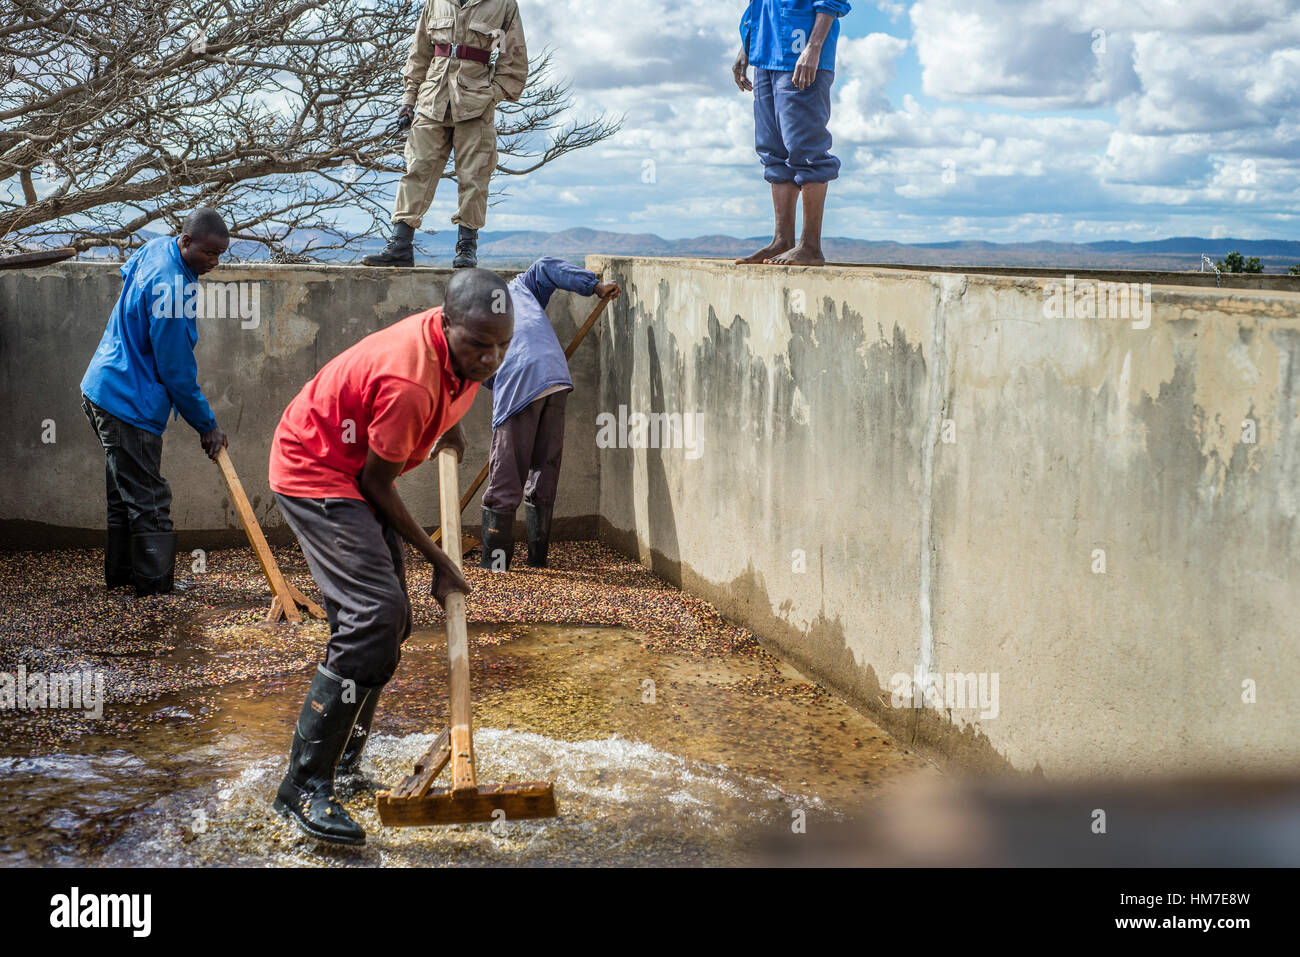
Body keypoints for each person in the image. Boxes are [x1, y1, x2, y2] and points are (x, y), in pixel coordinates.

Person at [267, 267, 513, 846]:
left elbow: (426, 412)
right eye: (479, 344)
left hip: (353, 468)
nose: (491, 358)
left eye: (503, 343)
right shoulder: (412, 379)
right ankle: (302, 786)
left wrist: (440, 433)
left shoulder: (460, 353)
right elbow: (379, 485)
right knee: (373, 619)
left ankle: (345, 762)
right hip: (317, 469)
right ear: (445, 323)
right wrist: (439, 559)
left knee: (388, 621)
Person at [79, 209, 230, 596]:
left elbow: (126, 273)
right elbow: (176, 371)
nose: (214, 262)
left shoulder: (156, 248)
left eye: (220, 255)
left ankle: (123, 578)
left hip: (101, 386)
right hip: (129, 402)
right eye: (209, 253)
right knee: (149, 499)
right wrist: (207, 425)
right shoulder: (173, 292)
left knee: (123, 492)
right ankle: (155, 590)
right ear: (186, 241)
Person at [362, 0, 528, 270]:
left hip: (476, 101)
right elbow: (419, 51)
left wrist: (492, 95)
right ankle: (400, 245)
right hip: (432, 99)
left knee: (474, 175)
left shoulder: (503, 3)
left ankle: (466, 248)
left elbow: (515, 58)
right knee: (417, 168)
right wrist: (408, 100)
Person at [479, 257, 618, 570]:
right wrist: (595, 286)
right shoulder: (522, 288)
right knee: (545, 466)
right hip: (555, 377)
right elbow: (546, 266)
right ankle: (537, 560)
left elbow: (480, 370)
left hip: (519, 379)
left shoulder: (480, 313)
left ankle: (496, 565)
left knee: (506, 473)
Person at [732, 0, 851, 266]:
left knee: (806, 149)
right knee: (772, 150)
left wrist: (814, 47)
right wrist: (746, 49)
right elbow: (758, 6)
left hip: (800, 53)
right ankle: (781, 241)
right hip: (765, 54)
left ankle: (810, 247)